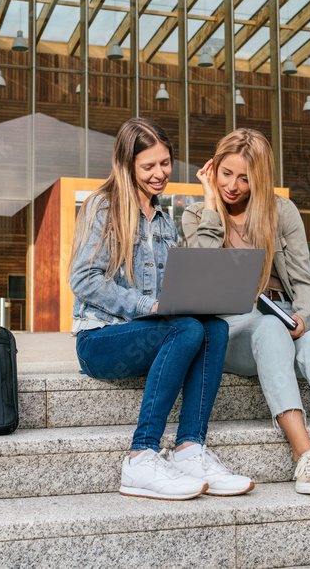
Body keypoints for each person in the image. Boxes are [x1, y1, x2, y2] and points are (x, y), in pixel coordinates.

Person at [181, 128, 310, 499]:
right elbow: (203, 278)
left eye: (245, 178)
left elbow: (305, 282)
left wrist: (304, 318)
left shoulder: (281, 211)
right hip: (231, 327)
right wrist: (210, 201)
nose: (233, 185)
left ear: (260, 178)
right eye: (225, 174)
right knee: (269, 329)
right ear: (213, 171)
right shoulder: (197, 215)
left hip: (282, 313)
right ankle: (305, 453)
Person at [69, 117, 254, 501]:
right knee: (185, 329)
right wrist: (147, 305)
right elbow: (85, 278)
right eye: (148, 166)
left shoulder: (166, 221)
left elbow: (177, 287)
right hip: (100, 339)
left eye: (165, 163)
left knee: (214, 327)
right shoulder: (102, 207)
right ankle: (141, 456)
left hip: (151, 333)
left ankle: (189, 450)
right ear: (127, 165)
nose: (160, 174)